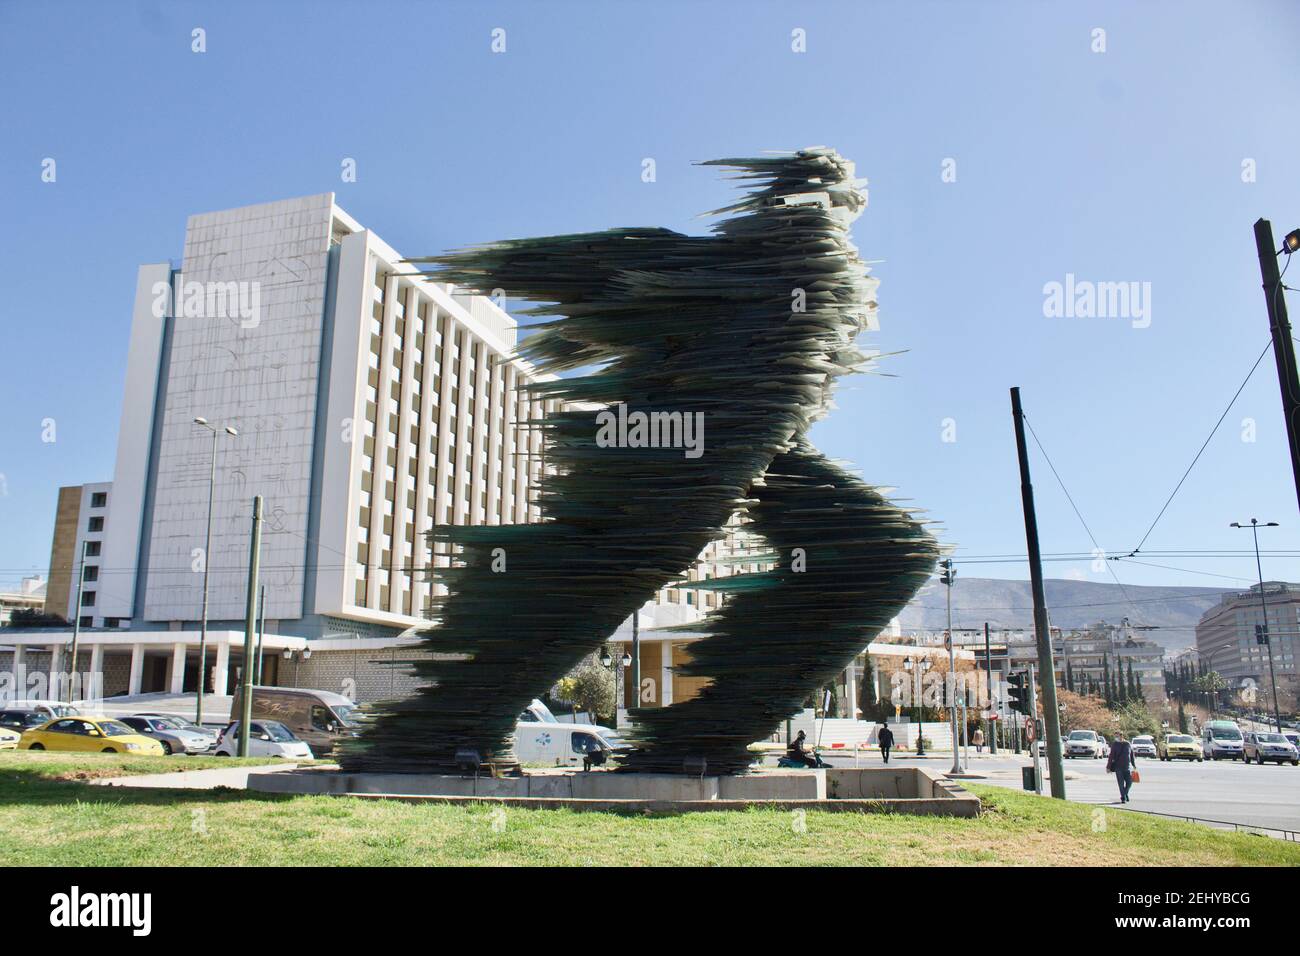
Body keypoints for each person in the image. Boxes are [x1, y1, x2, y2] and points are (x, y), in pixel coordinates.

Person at [1107, 731, 1136, 803]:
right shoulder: (1115, 745)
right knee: (1121, 783)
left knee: (1129, 782)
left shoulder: (1127, 744)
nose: (1116, 738)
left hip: (1127, 767)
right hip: (1118, 767)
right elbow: (1111, 756)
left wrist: (1134, 765)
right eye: (1115, 736)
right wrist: (1108, 767)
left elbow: (1132, 755)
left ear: (1121, 736)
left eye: (1117, 736)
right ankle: (1123, 797)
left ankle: (1125, 793)